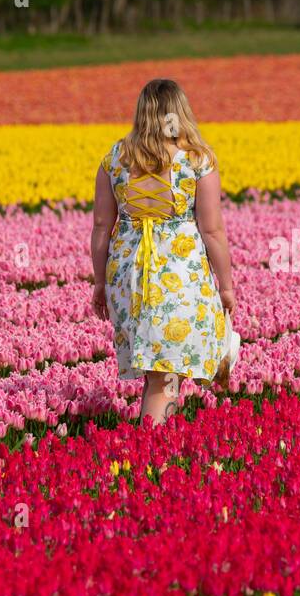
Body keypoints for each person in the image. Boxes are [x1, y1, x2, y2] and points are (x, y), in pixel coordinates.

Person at [90, 78, 237, 425]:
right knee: (165, 369)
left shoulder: (115, 159)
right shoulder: (197, 161)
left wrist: (100, 283)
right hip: (178, 271)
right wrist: (226, 285)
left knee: (161, 365)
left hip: (128, 273)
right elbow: (212, 230)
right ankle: (151, 449)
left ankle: (160, 434)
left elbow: (100, 227)